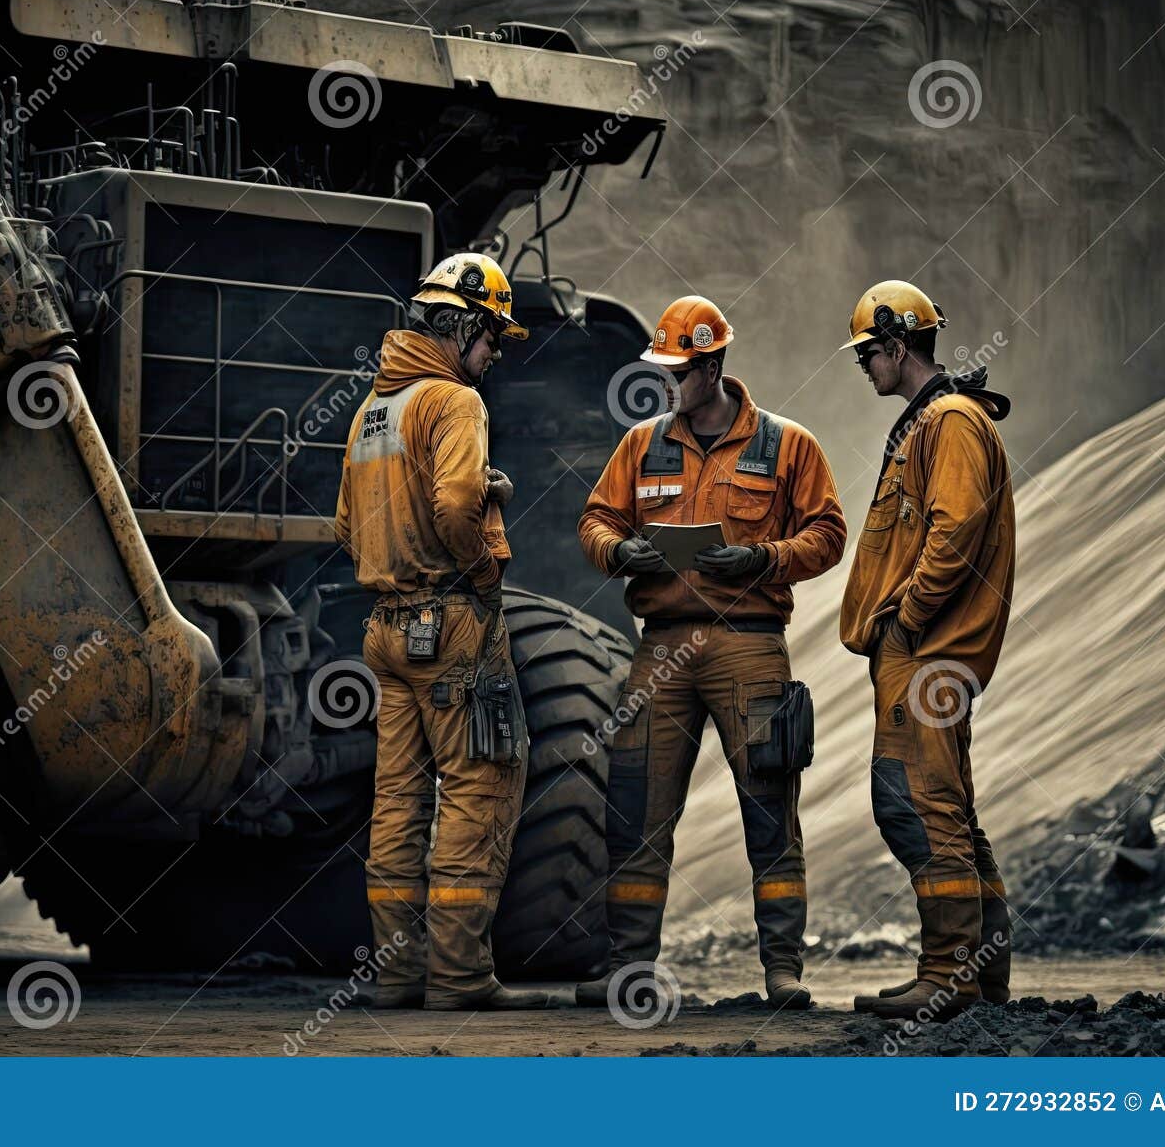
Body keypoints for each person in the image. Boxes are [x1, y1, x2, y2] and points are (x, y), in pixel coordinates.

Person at [575, 295, 846, 1009]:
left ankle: (782, 972)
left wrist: (761, 558)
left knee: (769, 807)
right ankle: (627, 966)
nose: (668, 385)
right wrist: (618, 550)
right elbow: (597, 518)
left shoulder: (788, 446)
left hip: (748, 647)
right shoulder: (641, 444)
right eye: (662, 371)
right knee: (635, 809)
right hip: (660, 646)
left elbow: (828, 534)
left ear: (715, 365)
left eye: (681, 371)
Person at [334, 252, 551, 1010]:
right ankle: (459, 978)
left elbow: (343, 523)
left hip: (386, 632)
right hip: (452, 621)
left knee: (397, 801)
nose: (491, 357)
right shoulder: (454, 402)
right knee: (478, 789)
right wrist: (484, 573)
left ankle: (395, 975)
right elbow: (458, 506)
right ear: (461, 327)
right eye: (491, 340)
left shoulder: (372, 410)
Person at [836, 280, 1016, 1022]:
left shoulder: (948, 422)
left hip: (928, 652)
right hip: (926, 652)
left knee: (915, 803)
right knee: (947, 809)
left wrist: (906, 622)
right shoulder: (934, 421)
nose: (863, 367)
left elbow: (953, 531)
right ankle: (984, 972)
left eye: (868, 353)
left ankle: (946, 974)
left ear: (899, 345)